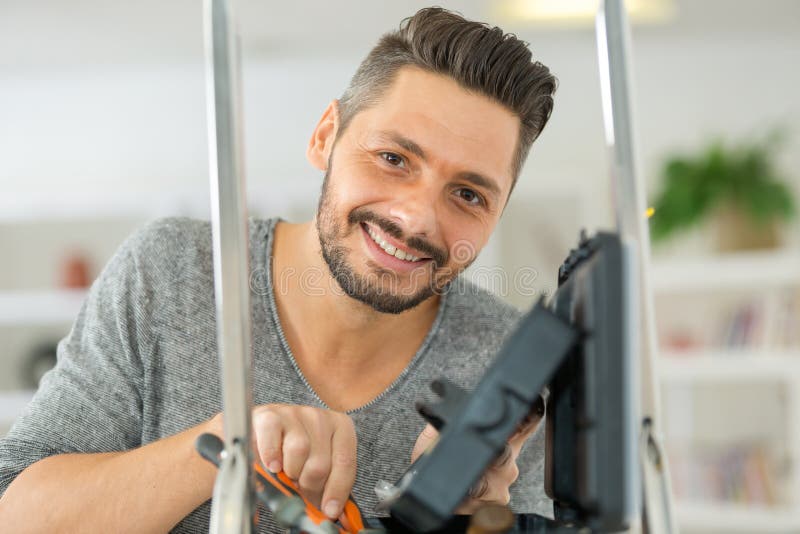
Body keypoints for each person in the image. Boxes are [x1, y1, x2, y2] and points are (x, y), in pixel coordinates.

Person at [0, 7, 556, 533]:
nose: (415, 219)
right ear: (325, 137)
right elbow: (15, 516)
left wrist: (465, 521)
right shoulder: (170, 272)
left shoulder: (507, 359)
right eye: (393, 159)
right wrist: (230, 445)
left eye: (467, 194)